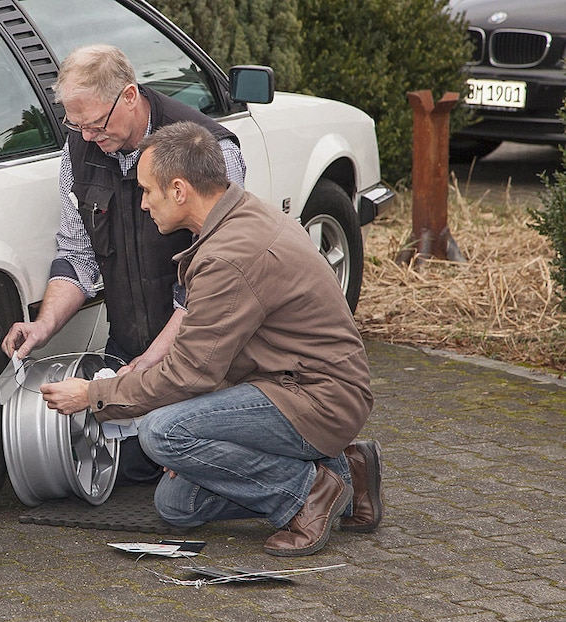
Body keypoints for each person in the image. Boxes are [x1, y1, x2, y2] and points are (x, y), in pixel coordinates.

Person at [40, 121, 382, 557]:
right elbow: (215, 356)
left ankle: (306, 492)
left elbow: (190, 374)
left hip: (319, 397)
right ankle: (348, 470)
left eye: (147, 191)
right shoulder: (238, 216)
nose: (142, 204)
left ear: (179, 190)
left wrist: (93, 393)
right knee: (176, 505)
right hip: (285, 382)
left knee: (163, 433)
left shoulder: (229, 257)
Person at [1, 44, 246, 484]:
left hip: (204, 357)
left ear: (130, 95)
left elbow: (206, 290)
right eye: (75, 125)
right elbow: (77, 255)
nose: (88, 137)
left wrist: (152, 364)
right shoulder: (78, 150)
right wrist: (41, 328)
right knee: (128, 468)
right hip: (130, 349)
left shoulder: (209, 153)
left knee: (175, 466)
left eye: (95, 123)